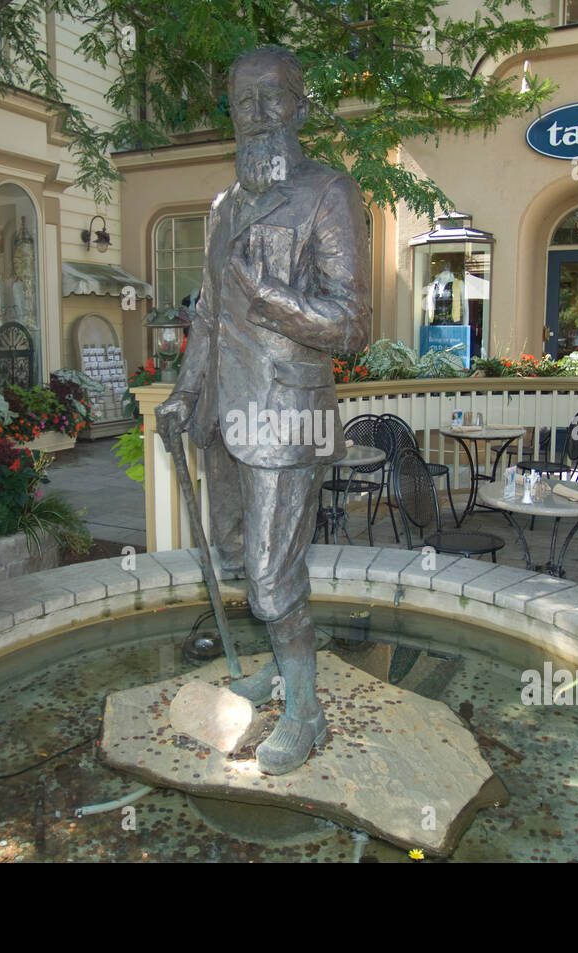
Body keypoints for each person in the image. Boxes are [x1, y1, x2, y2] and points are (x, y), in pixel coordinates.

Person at [155, 47, 370, 776]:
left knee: (274, 576)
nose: (254, 115)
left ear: (299, 106)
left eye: (269, 99)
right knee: (234, 557)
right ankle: (279, 674)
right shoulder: (222, 206)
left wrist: (267, 296)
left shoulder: (327, 193)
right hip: (223, 415)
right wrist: (186, 393)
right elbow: (209, 317)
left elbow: (351, 326)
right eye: (241, 101)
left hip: (286, 415)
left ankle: (305, 709)